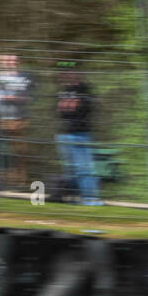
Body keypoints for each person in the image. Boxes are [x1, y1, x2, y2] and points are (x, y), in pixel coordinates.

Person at [54, 68, 103, 205]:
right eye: (64, 73)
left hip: (81, 134)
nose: (67, 76)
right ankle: (75, 197)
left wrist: (69, 106)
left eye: (70, 73)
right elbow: (60, 111)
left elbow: (79, 109)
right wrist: (69, 106)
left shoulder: (85, 90)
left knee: (85, 167)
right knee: (70, 169)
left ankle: (90, 198)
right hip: (64, 134)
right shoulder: (63, 91)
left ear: (78, 74)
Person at [0, 53, 33, 190]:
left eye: (11, 60)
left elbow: (31, 97)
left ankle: (20, 183)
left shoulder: (24, 77)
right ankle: (1, 183)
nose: (8, 62)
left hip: (19, 120)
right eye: (4, 60)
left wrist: (16, 99)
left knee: (19, 153)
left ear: (17, 61)